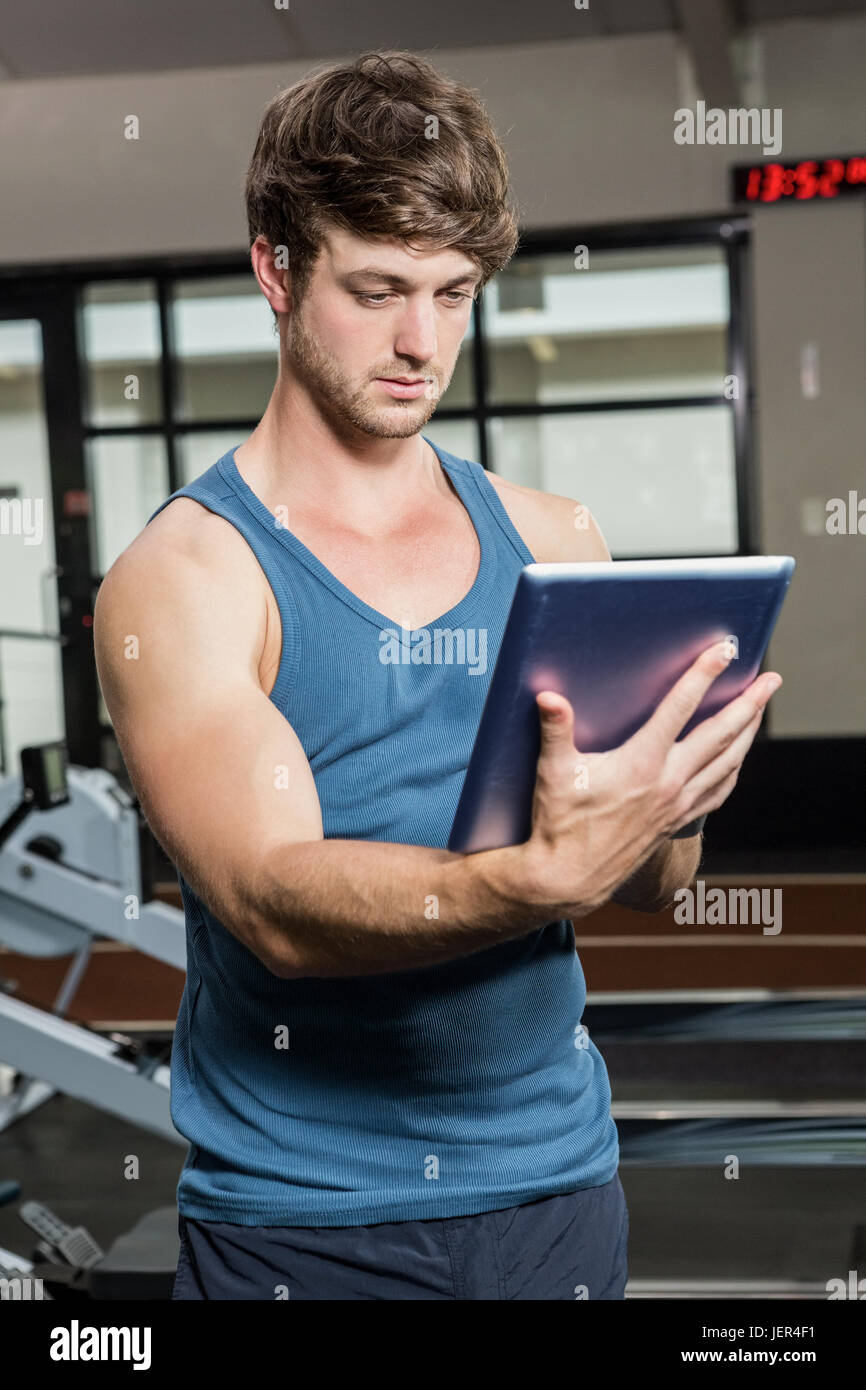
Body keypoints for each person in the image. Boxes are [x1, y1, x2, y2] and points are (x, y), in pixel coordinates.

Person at [93, 50, 781, 1301]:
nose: (421, 342)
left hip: (558, 1197)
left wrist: (669, 804)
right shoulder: (187, 577)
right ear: (275, 270)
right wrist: (531, 877)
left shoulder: (557, 540)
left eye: (454, 293)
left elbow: (654, 884)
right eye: (377, 289)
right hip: (302, 1225)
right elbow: (272, 902)